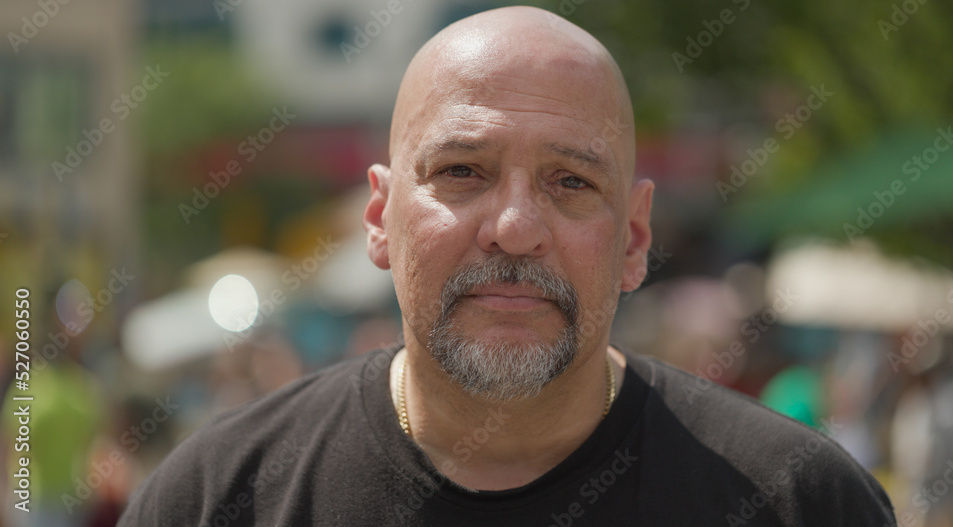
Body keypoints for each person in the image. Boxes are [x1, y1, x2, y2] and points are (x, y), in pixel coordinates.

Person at [118, 6, 896, 526]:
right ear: (380, 219)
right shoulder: (213, 499)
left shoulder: (801, 502)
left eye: (570, 181)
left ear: (632, 239)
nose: (516, 228)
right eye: (462, 171)